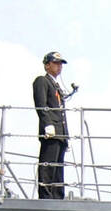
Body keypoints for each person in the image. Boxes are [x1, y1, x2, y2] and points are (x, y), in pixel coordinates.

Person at [32, 51, 70, 199]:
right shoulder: (42, 81)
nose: (59, 66)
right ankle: (46, 195)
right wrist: (47, 124)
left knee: (58, 168)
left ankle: (57, 195)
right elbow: (41, 104)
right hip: (51, 131)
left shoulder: (56, 85)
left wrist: (65, 134)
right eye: (56, 63)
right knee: (48, 165)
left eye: (60, 64)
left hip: (60, 132)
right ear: (47, 65)